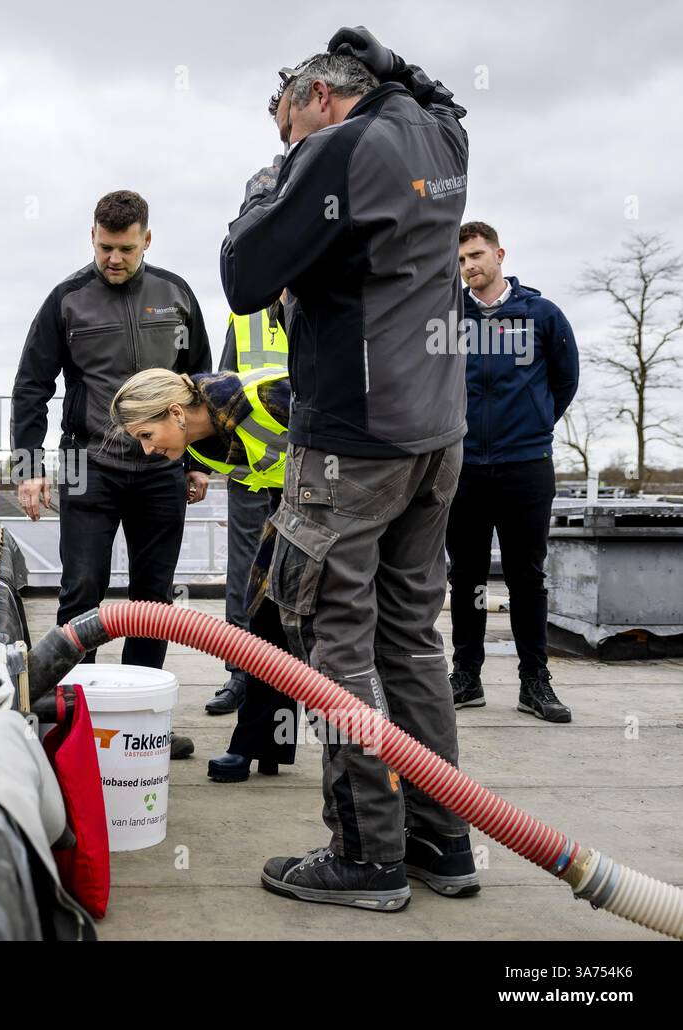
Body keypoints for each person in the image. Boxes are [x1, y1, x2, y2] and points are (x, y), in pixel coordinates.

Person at [220, 27, 478, 911]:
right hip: (436, 437)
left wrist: (263, 197)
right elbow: (446, 100)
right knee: (410, 641)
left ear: (321, 99)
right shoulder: (436, 135)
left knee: (337, 648)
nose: (284, 149)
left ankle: (368, 854)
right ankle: (443, 838)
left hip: (353, 446)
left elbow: (244, 276)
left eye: (285, 126)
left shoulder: (335, 147)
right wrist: (396, 62)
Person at [12, 189, 212, 760]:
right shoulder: (67, 300)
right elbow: (32, 385)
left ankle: (138, 722)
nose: (113, 259)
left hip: (161, 466)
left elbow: (199, 384)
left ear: (147, 240)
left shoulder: (176, 295)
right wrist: (29, 468)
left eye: (125, 248)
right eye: (104, 247)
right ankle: (74, 720)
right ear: (92, 238)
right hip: (86, 463)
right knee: (82, 593)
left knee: (151, 601)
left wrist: (197, 462)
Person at [110, 366, 302, 781]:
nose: (147, 451)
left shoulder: (267, 397)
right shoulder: (203, 444)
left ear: (176, 413)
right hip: (294, 510)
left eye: (147, 435)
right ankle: (261, 745)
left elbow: (355, 442)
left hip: (361, 506)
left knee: (344, 640)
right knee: (266, 624)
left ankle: (386, 762)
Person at [448, 222, 579, 721]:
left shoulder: (542, 315)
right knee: (466, 577)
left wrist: (534, 424)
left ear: (499, 254)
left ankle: (534, 683)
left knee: (528, 578)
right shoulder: (447, 317)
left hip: (526, 466)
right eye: (460, 261)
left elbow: (564, 380)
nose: (469, 267)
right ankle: (466, 677)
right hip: (462, 467)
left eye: (477, 256)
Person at [205, 299, 289, 718]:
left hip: (304, 462)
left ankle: (295, 675)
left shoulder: (319, 297)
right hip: (253, 462)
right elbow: (222, 387)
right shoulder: (244, 316)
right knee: (244, 565)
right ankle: (241, 671)